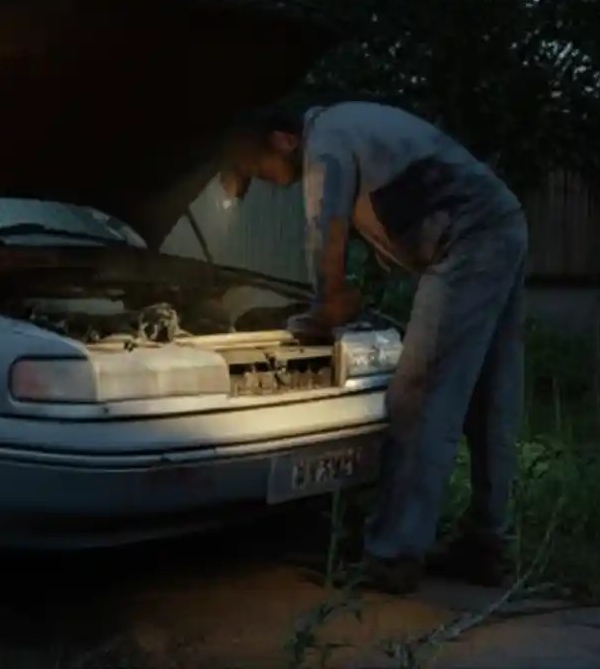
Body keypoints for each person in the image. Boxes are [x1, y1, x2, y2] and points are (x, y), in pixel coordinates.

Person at [220, 101, 528, 595]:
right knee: (490, 396)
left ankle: (393, 556)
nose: (268, 181)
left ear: (282, 140)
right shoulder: (348, 128)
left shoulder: (326, 144)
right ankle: (485, 546)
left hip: (470, 239)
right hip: (499, 223)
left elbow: (326, 231)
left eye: (259, 168)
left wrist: (324, 308)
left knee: (418, 398)